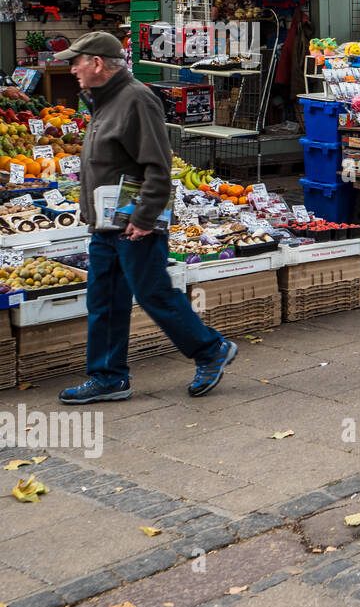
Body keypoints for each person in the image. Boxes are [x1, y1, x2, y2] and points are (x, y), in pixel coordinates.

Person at [53, 32, 236, 404]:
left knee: (153, 293)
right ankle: (108, 377)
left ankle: (210, 349)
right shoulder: (103, 100)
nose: (72, 69)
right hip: (106, 223)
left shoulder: (136, 98)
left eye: (77, 61)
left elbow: (158, 164)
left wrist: (146, 216)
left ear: (97, 63)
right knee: (103, 299)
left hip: (135, 221)